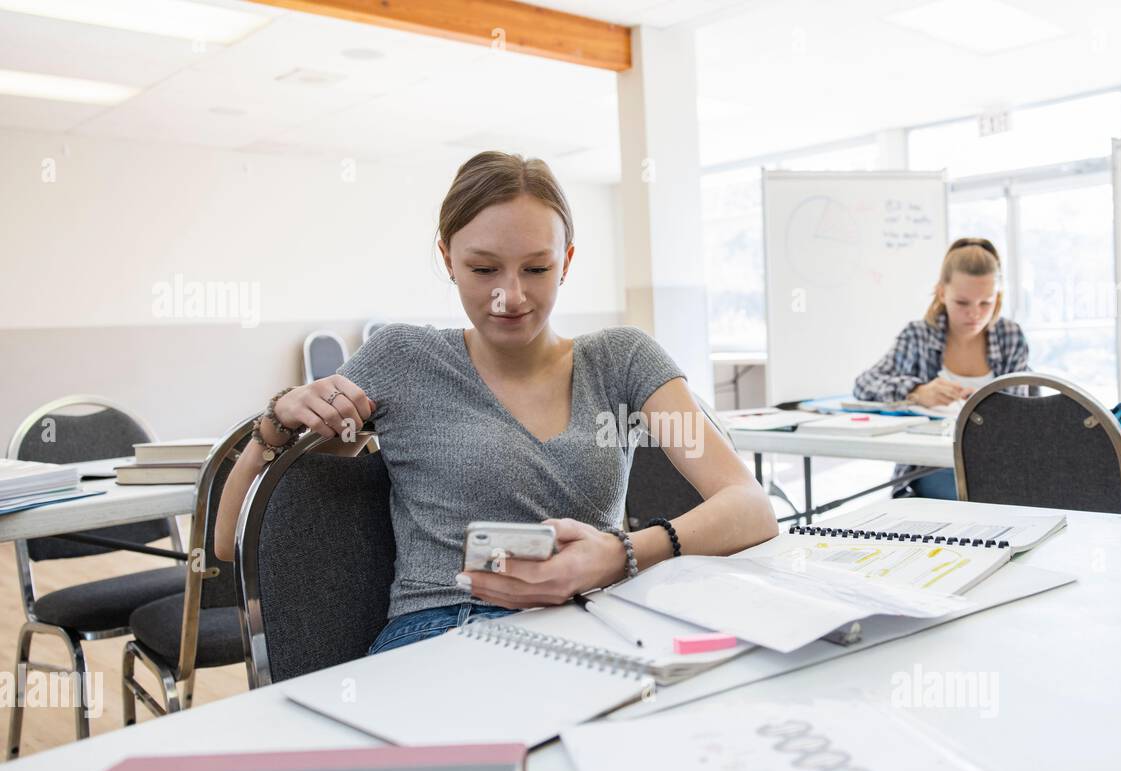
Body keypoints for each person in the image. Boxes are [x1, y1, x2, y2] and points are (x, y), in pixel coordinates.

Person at [214, 151, 777, 654]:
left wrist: (619, 554)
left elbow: (751, 508)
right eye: (484, 269)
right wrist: (274, 424)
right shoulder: (403, 358)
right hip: (443, 630)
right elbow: (226, 541)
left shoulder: (622, 361)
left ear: (568, 260)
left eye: (537, 268)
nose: (511, 294)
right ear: (448, 257)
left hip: (597, 626)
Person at [852, 237, 1030, 499]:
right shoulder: (918, 336)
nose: (975, 314)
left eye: (986, 302)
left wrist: (986, 406)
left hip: (1001, 463)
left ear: (998, 297)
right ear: (941, 292)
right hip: (934, 467)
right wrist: (917, 391)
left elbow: (1020, 412)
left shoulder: (1010, 336)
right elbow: (864, 384)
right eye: (962, 302)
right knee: (970, 494)